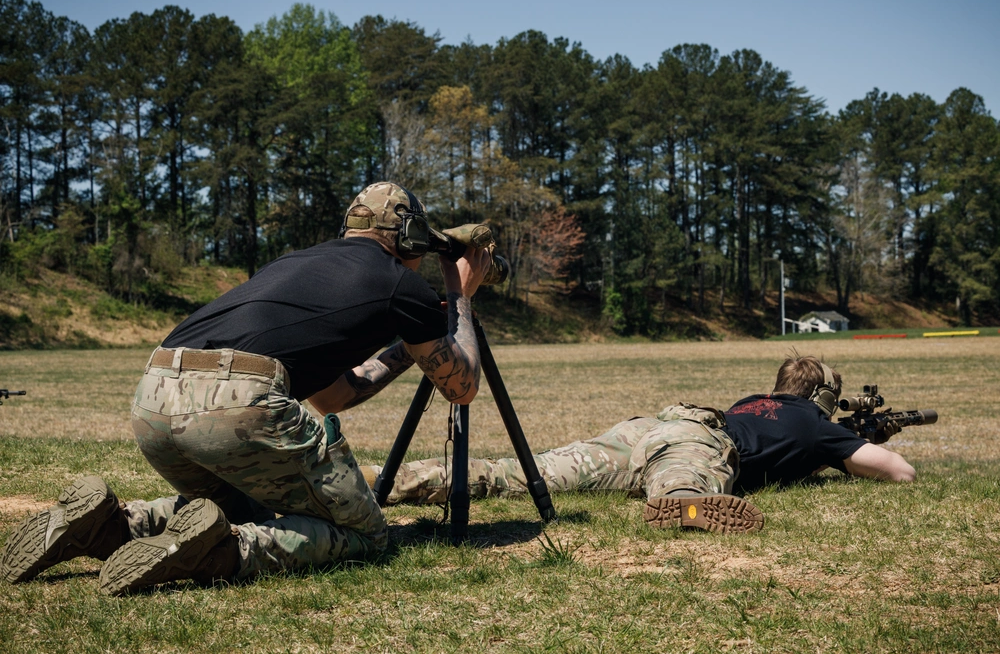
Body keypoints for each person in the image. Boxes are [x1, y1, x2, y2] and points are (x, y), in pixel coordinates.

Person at [0, 182, 492, 594]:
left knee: (248, 509)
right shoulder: (400, 285)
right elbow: (462, 387)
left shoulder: (296, 264)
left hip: (154, 391)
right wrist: (459, 296)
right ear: (409, 239)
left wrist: (412, 346)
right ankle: (221, 552)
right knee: (363, 534)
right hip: (238, 399)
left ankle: (109, 524)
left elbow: (334, 396)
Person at [366, 355, 915, 533]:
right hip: (693, 441)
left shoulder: (755, 402)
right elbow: (896, 473)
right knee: (682, 486)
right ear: (822, 397)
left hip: (646, 430)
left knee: (525, 472)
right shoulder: (818, 425)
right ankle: (682, 505)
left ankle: (385, 481)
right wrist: (848, 449)